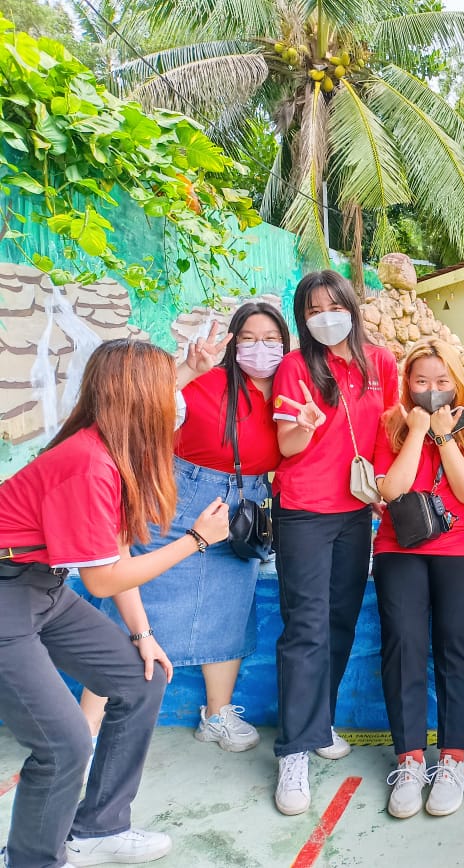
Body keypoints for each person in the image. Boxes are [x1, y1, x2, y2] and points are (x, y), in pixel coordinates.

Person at [0, 340, 230, 868]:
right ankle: (32, 859)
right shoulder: (88, 463)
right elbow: (102, 580)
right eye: (167, 388)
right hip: (7, 593)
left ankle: (99, 829)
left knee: (142, 678)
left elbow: (116, 548)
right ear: (137, 400)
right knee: (63, 748)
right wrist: (195, 539)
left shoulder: (112, 453)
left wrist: (143, 637)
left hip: (43, 588)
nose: (175, 401)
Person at [83, 303, 290, 754]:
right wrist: (189, 368)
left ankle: (217, 715)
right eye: (248, 337)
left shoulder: (289, 392)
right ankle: (88, 727)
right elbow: (145, 402)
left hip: (243, 509)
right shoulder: (207, 378)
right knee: (133, 606)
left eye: (271, 339)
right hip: (179, 497)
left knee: (229, 609)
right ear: (232, 341)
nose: (260, 348)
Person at [269, 271, 399, 816]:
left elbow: (389, 432)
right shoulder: (297, 367)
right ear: (303, 316)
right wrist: (304, 424)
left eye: (333, 304)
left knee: (341, 618)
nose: (325, 315)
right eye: (313, 308)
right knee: (305, 625)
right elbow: (285, 441)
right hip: (302, 510)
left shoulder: (382, 365)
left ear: (351, 306)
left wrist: (385, 492)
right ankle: (293, 750)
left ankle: (318, 722)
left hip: (355, 513)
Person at [373, 340, 464, 819]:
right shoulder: (390, 424)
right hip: (399, 546)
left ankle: (452, 759)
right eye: (421, 381)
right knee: (402, 639)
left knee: (456, 641)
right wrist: (417, 430)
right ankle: (409, 759)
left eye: (442, 382)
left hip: (463, 545)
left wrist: (443, 437)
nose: (432, 390)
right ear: (408, 384)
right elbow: (393, 489)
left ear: (457, 383)